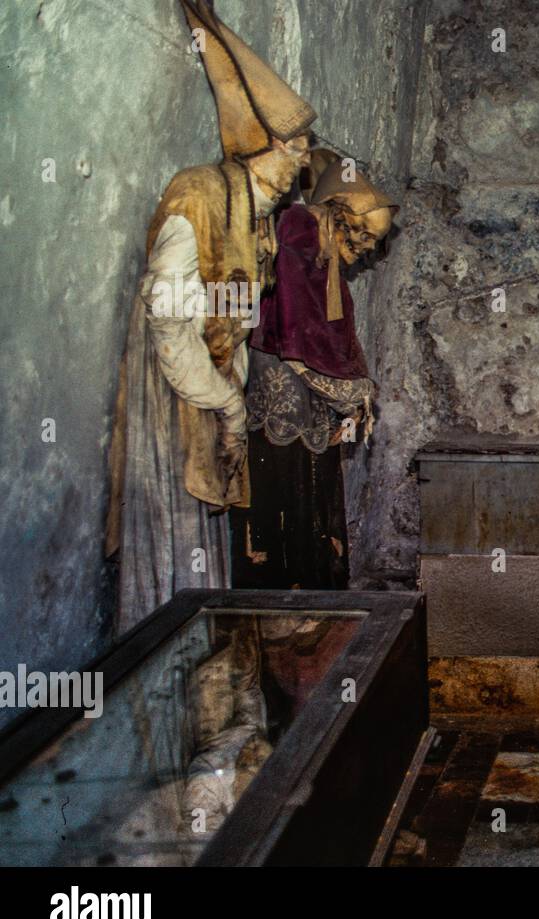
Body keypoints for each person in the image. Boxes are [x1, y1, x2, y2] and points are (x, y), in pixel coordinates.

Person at [107, 0, 315, 631]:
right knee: (171, 549)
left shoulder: (256, 216)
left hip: (212, 384)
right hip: (174, 391)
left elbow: (236, 313)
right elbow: (169, 319)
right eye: (295, 147)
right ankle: (166, 668)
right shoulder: (197, 195)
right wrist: (225, 402)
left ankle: (208, 673)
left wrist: (234, 394)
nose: (304, 161)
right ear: (259, 142)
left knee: (205, 547)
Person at [231, 153, 397, 589]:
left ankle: (312, 611)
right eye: (361, 238)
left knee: (312, 497)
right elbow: (297, 337)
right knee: (288, 501)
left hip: (306, 404)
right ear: (340, 219)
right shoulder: (299, 239)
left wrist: (354, 394)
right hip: (282, 394)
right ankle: (288, 610)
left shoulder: (324, 257)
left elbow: (328, 338)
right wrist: (354, 395)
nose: (363, 251)